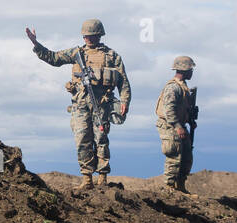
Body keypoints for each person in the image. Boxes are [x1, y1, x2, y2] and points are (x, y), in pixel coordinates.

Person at [26, 18, 131, 188]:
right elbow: (53, 58)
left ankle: (102, 177)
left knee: (101, 139)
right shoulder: (76, 53)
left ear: (99, 35)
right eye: (85, 36)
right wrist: (35, 43)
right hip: (80, 103)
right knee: (82, 139)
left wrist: (125, 100)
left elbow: (123, 81)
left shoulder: (112, 56)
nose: (88, 39)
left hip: (102, 105)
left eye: (91, 35)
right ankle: (87, 178)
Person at [155, 56, 197, 193]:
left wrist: (189, 121)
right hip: (170, 126)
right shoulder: (173, 87)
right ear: (184, 70)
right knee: (174, 156)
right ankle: (169, 189)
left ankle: (180, 187)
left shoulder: (183, 87)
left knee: (186, 157)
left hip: (179, 125)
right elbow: (169, 110)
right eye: (190, 69)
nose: (192, 72)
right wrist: (178, 126)